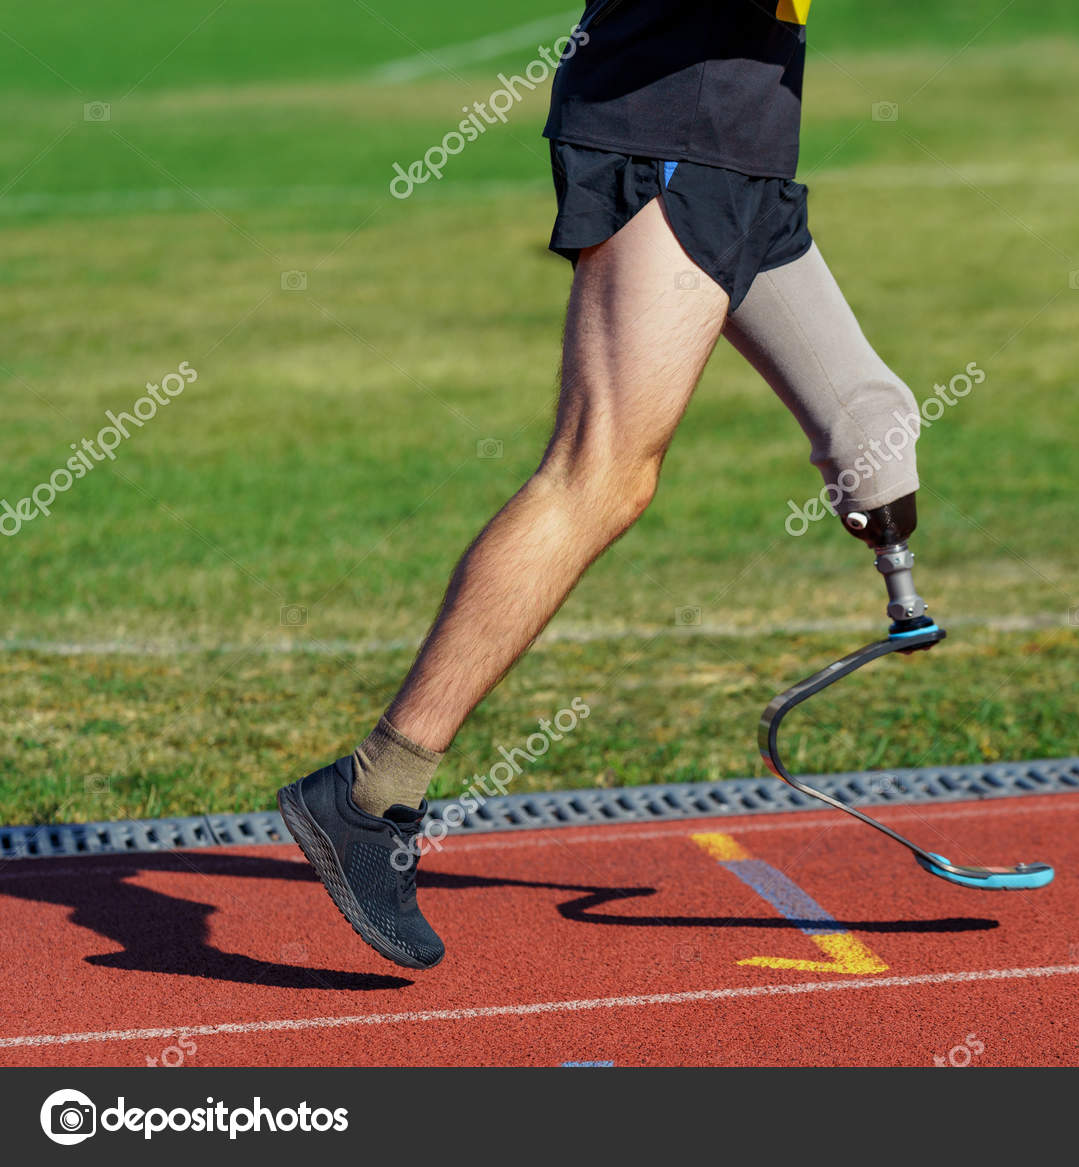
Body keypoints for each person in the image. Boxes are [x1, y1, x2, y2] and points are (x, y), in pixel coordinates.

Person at [278, 0, 930, 970]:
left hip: (744, 150)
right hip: (668, 135)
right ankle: (371, 793)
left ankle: (905, 591)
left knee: (874, 434)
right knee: (600, 475)